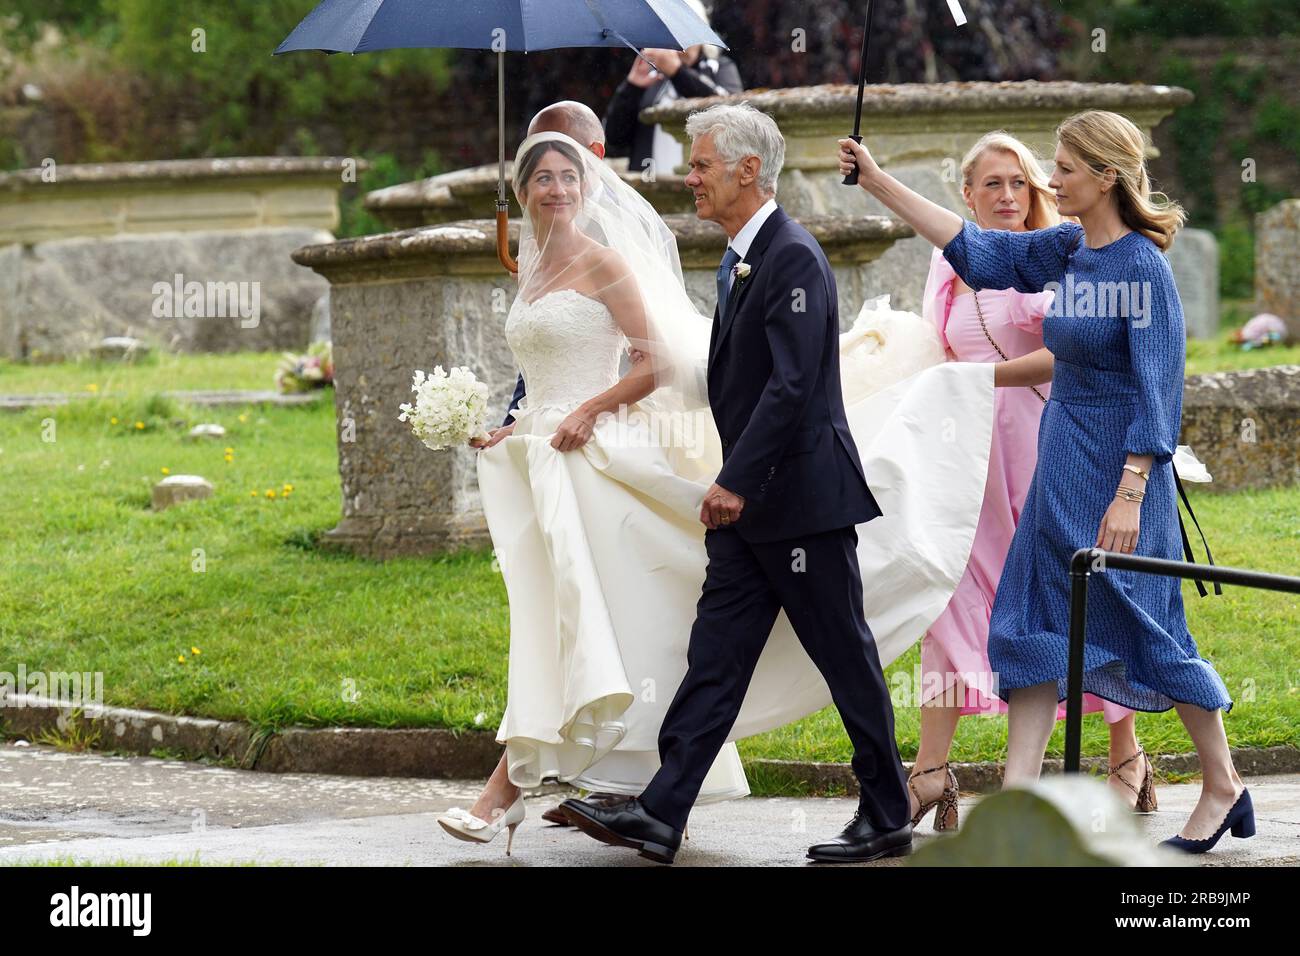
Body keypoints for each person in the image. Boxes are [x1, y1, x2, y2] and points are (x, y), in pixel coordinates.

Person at [438, 109, 996, 862]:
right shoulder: (740, 256)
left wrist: (731, 480)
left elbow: (794, 387)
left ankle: (887, 805)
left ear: (746, 171)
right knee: (716, 658)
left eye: (701, 165)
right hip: (749, 510)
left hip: (800, 502)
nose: (689, 176)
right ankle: (663, 811)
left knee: (844, 655)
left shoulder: (792, 256)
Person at [839, 110, 1253, 853]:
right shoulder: (1067, 250)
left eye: (1062, 169)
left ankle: (1223, 784)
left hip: (1120, 476)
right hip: (1059, 464)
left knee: (1148, 630)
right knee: (1027, 628)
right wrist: (877, 183)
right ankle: (1020, 804)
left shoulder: (1140, 268)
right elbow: (977, 252)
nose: (1048, 181)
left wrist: (1131, 491)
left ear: (1104, 177)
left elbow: (1161, 389)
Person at [907, 131, 1147, 834]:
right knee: (949, 601)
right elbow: (935, 344)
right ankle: (931, 769)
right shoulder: (948, 265)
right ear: (968, 194)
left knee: (1076, 602)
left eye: (1020, 182)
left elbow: (1066, 354)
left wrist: (979, 379)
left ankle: (1127, 753)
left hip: (1048, 442)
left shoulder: (1065, 252)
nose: (1008, 196)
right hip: (968, 457)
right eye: (993, 185)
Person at [498, 101, 610, 432]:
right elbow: (542, 347)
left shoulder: (627, 232)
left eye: (559, 147)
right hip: (539, 421)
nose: (546, 156)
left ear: (595, 152)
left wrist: (591, 414)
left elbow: (650, 350)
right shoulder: (538, 231)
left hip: (603, 424)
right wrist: (513, 425)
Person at [603, 0, 742, 179]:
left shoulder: (720, 67)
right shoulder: (652, 74)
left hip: (703, 182)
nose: (679, 42)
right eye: (671, 32)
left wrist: (677, 72)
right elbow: (614, 138)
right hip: (651, 182)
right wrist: (631, 87)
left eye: (686, 30)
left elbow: (732, 113)